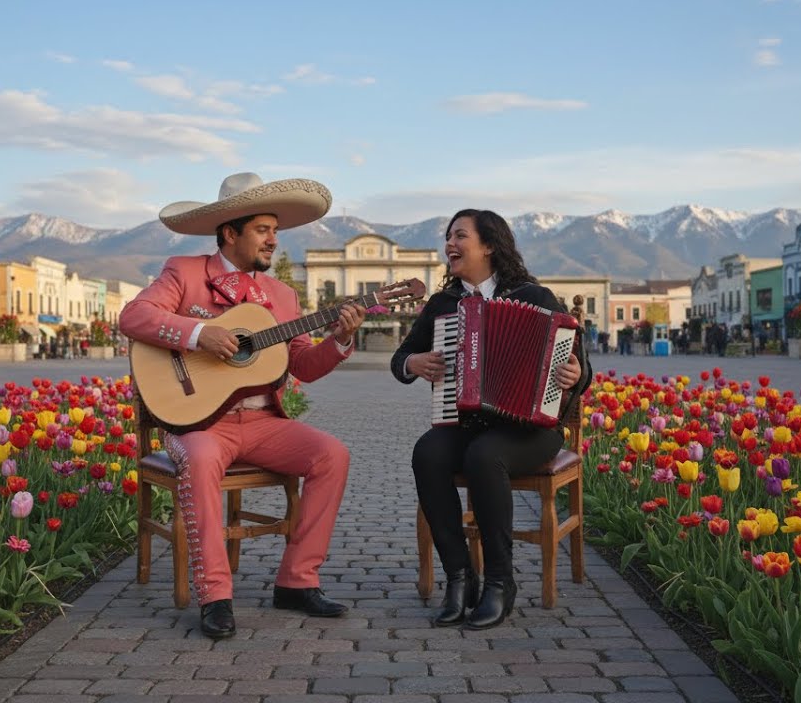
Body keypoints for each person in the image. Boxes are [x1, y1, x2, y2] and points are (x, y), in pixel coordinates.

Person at [120, 172, 366, 640]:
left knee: (332, 455)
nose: (274, 240)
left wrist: (340, 340)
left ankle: (297, 582)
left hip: (262, 422)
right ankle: (215, 595)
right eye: (263, 230)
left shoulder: (283, 296)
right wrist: (200, 334)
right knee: (200, 460)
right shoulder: (185, 272)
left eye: (275, 230)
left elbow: (303, 365)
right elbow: (134, 316)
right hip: (199, 423)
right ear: (230, 232)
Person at [390, 209, 591, 630]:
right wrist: (415, 362)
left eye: (460, 236)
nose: (450, 244)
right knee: (428, 453)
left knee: (485, 456)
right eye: (448, 236)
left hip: (532, 430)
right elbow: (400, 358)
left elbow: (582, 368)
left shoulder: (535, 297)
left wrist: (575, 374)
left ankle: (500, 583)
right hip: (466, 425)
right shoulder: (443, 306)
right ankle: (460, 577)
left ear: (489, 246)